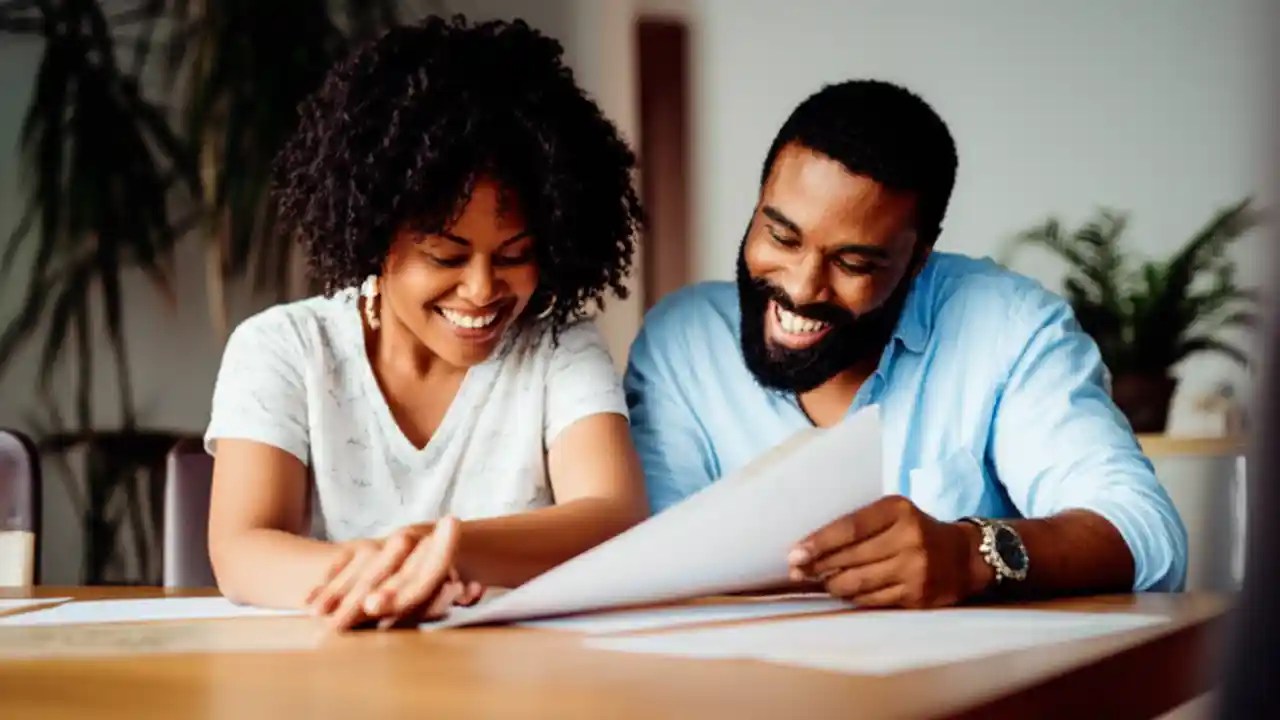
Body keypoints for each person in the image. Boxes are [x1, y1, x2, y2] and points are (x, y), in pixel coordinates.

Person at [625, 79, 1187, 608]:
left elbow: (1150, 538)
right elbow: (655, 566)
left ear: (918, 258)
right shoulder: (682, 345)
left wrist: (971, 556)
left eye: (853, 263)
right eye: (781, 235)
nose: (801, 286)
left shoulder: (1011, 328)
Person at [205, 16, 648, 630]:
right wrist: (387, 576)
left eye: (516, 255)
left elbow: (612, 516)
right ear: (373, 238)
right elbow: (242, 548)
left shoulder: (556, 347)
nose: (482, 289)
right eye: (446, 256)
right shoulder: (283, 347)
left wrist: (440, 549)